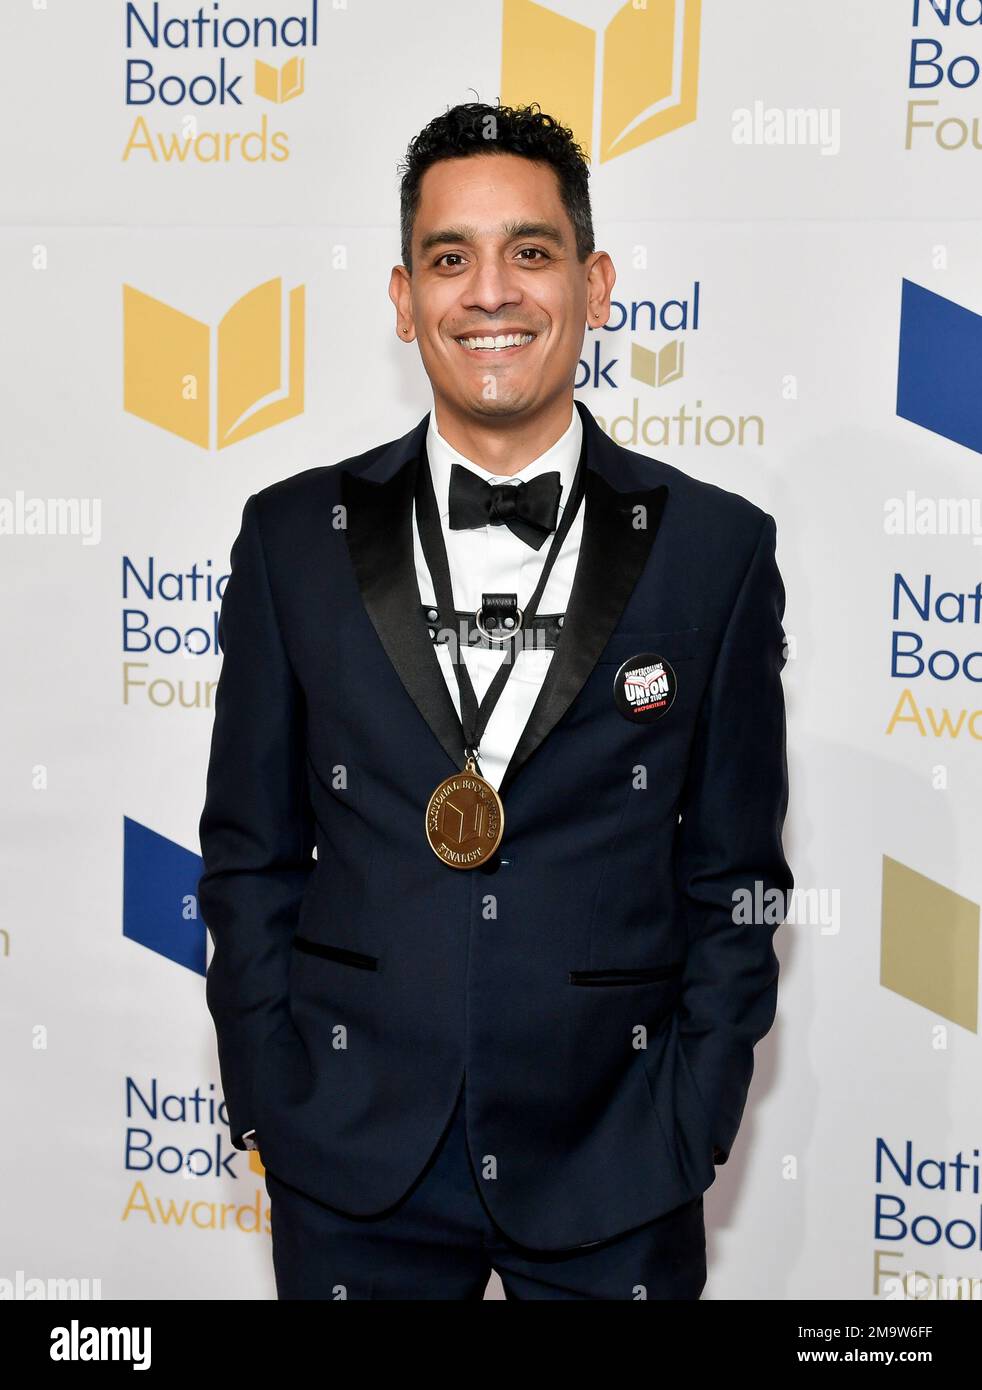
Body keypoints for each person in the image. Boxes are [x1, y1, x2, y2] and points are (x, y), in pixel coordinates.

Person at [197, 100, 793, 1300]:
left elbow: (737, 874)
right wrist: (275, 1094)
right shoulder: (290, 540)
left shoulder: (713, 549)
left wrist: (692, 1115)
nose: (490, 293)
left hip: (616, 1161)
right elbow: (249, 850)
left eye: (530, 250)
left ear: (595, 281)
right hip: (351, 1162)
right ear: (404, 297)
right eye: (448, 258)